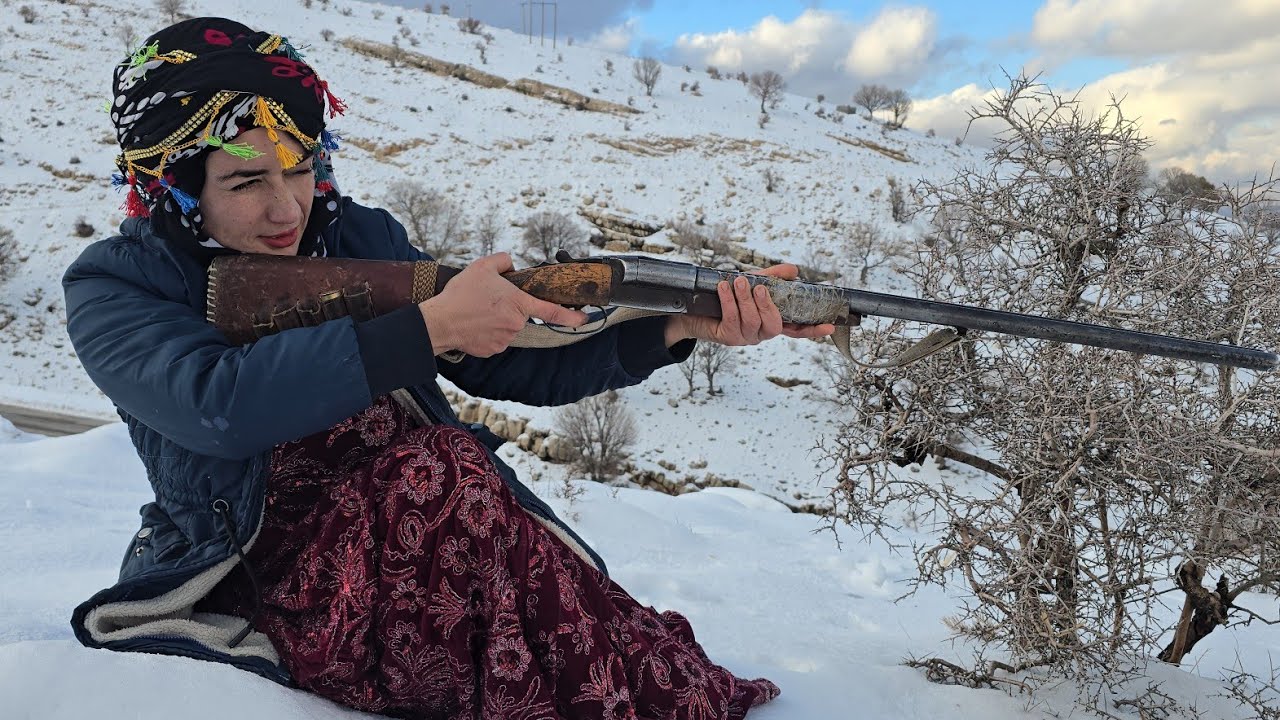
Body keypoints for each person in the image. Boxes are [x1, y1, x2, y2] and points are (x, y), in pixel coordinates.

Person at [64, 17, 833, 720]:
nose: (286, 208)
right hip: (262, 569)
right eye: (245, 180)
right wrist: (423, 329)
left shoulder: (363, 235)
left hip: (436, 526)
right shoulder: (116, 284)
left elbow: (521, 370)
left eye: (300, 169)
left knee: (458, 481)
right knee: (441, 468)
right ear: (172, 183)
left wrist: (679, 323)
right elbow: (217, 407)